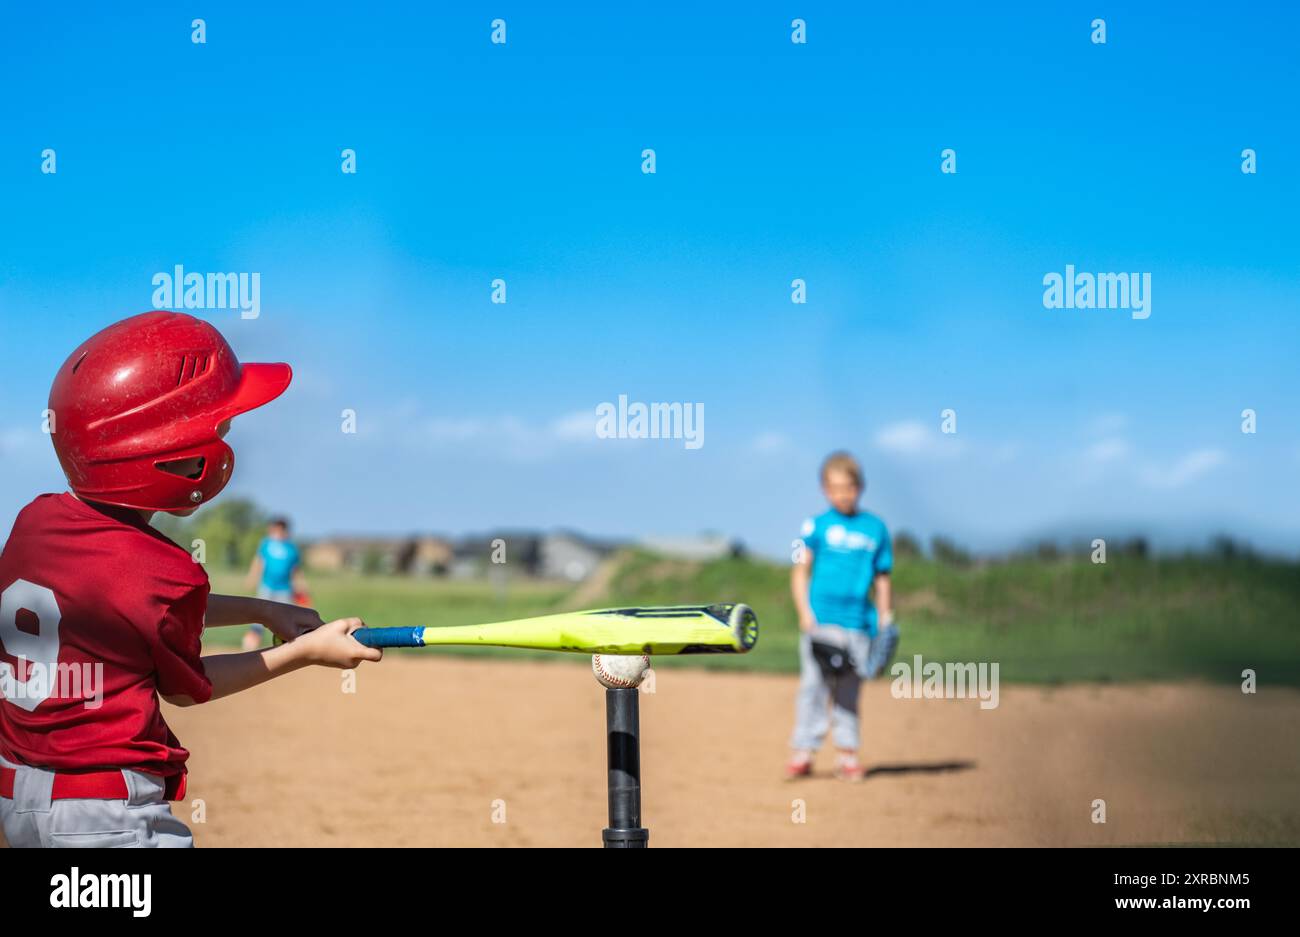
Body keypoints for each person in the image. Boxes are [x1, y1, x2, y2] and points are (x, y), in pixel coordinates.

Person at [0, 311, 382, 848]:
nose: (226, 436)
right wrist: (307, 653)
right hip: (108, 820)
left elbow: (130, 604)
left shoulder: (36, 520)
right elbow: (188, 688)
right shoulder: (162, 570)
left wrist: (262, 610)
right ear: (168, 454)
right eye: (218, 427)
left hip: (18, 800)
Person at [787, 451, 894, 781]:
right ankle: (803, 751)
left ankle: (848, 755)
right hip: (821, 623)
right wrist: (804, 613)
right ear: (824, 489)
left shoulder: (875, 528)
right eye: (834, 488)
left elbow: (882, 577)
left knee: (849, 691)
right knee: (814, 688)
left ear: (859, 487)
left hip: (860, 624)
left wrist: (885, 616)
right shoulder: (815, 525)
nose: (842, 494)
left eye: (848, 487)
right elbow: (799, 571)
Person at [243, 517, 308, 651]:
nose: (275, 532)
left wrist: (302, 586)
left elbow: (295, 570)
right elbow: (259, 562)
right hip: (267, 586)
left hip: (285, 589)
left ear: (285, 530)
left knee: (285, 619)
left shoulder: (291, 549)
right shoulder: (266, 544)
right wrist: (252, 577)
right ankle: (249, 647)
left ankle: (286, 649)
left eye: (278, 529)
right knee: (259, 617)